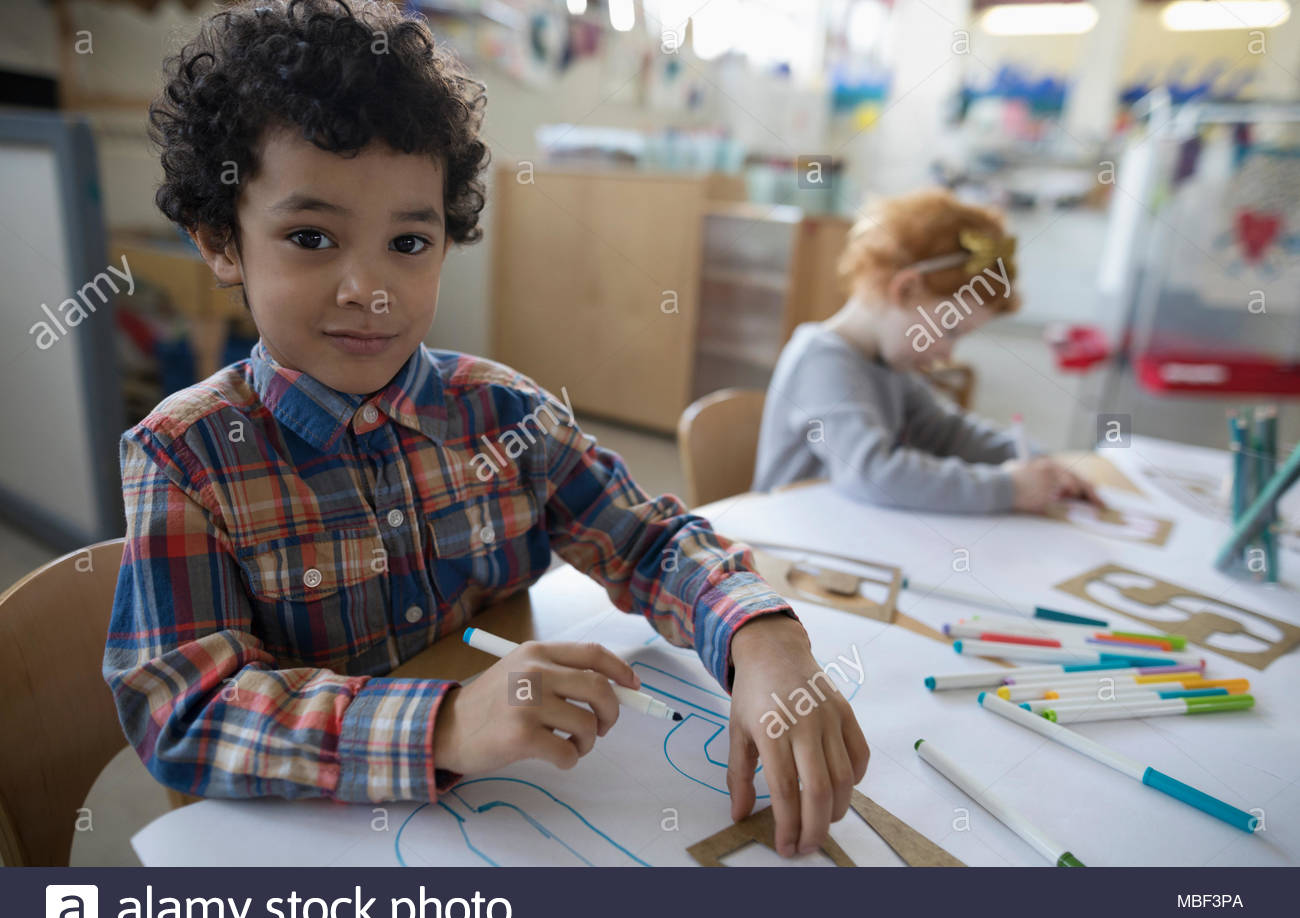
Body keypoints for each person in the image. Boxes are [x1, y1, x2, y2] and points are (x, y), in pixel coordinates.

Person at [103, 0, 867, 859]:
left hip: (517, 828)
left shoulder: (504, 415)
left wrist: (764, 638)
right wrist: (448, 721)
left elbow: (650, 542)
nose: (371, 288)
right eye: (311, 237)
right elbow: (187, 712)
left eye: (409, 241)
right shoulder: (186, 456)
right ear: (221, 241)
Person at [753, 188, 1102, 514]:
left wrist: (1037, 462)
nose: (949, 354)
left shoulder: (889, 364)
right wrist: (1007, 488)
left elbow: (948, 433)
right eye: (949, 331)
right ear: (906, 289)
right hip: (787, 556)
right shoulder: (822, 361)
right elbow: (874, 473)